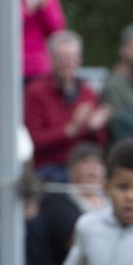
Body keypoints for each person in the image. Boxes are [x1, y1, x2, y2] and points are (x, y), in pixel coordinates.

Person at [24, 30, 109, 175]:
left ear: (79, 59)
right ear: (50, 58)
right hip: (50, 168)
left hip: (85, 169)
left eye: (71, 57)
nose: (67, 63)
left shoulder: (88, 93)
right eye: (61, 58)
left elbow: (100, 144)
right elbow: (34, 141)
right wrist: (70, 130)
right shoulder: (35, 92)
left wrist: (95, 129)